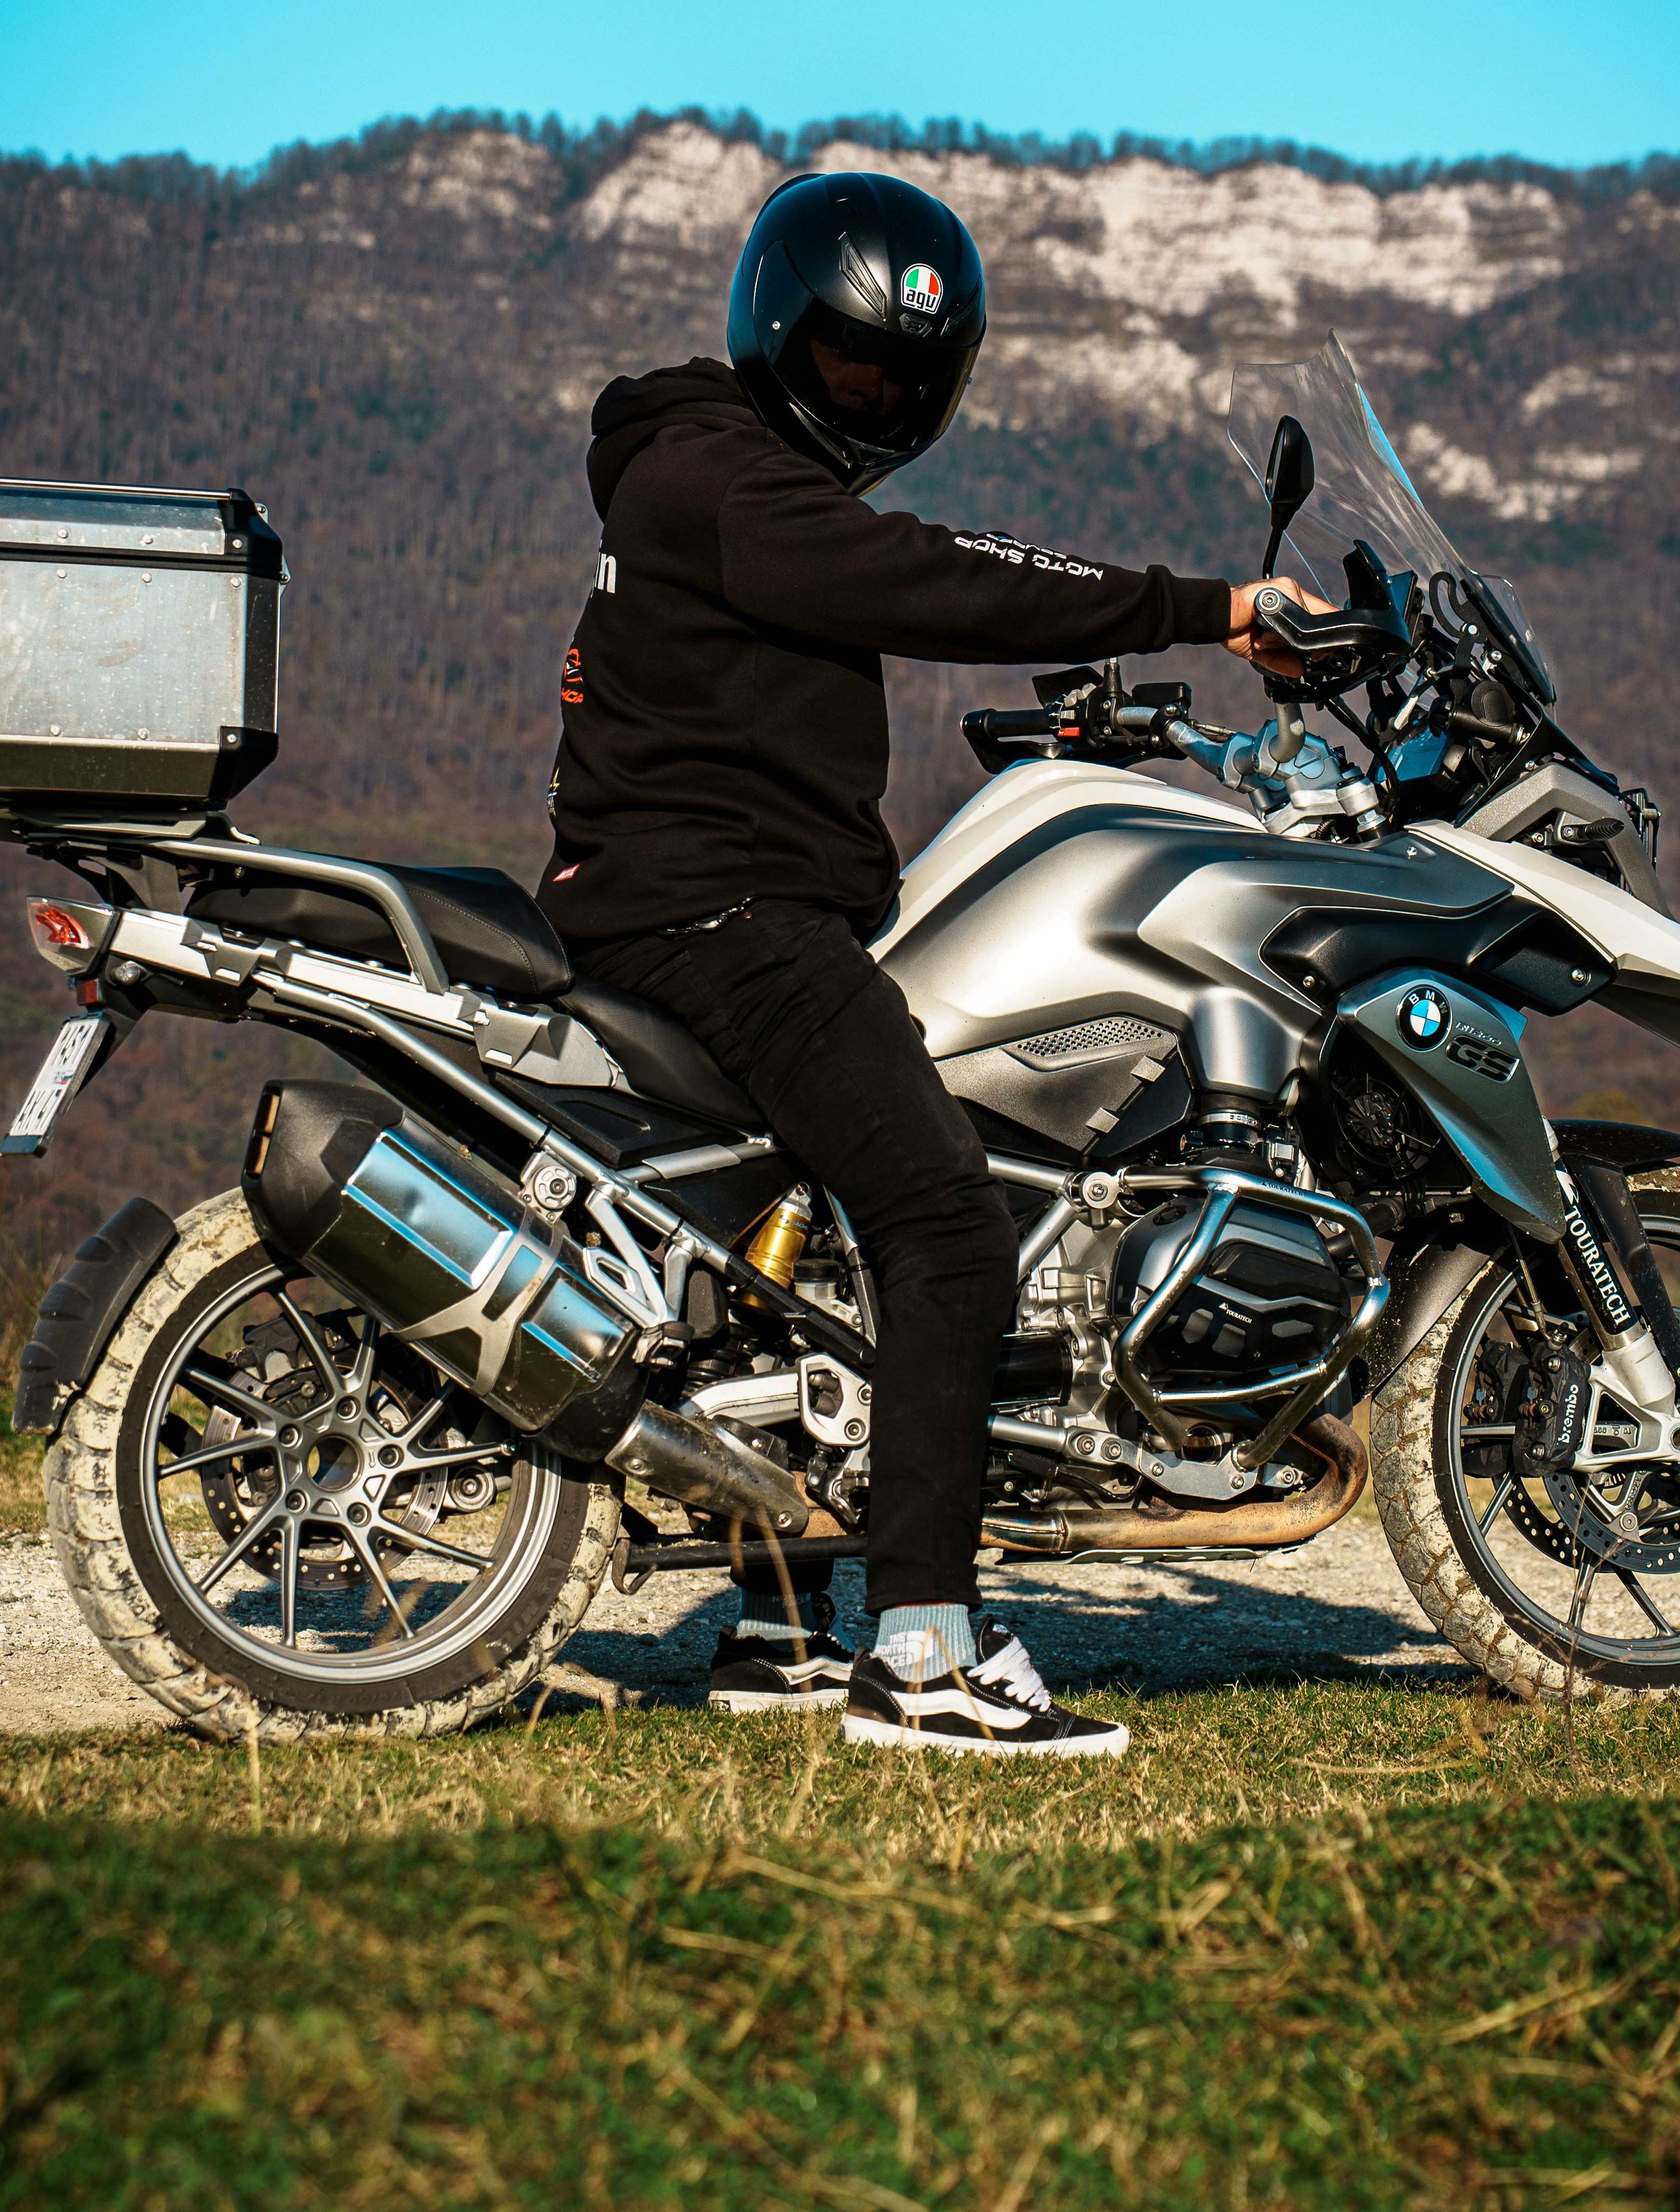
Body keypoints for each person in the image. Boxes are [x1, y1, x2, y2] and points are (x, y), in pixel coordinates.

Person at [542, 170, 1289, 1761]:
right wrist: (1208, 608)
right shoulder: (731, 481)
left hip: (707, 901)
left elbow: (832, 625)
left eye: (902, 377)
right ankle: (928, 1653)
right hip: (726, 918)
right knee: (943, 1219)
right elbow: (936, 576)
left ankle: (787, 1615)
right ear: (777, 334)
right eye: (847, 362)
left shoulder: (717, 473)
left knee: (801, 1245)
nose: (871, 396)